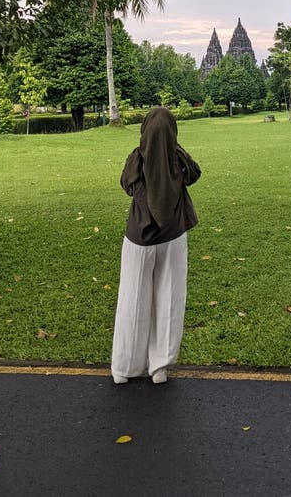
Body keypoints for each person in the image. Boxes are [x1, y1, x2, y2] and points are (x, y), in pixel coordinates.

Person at [111, 106, 201, 385]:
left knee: (133, 299)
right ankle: (159, 366)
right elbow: (195, 174)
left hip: (139, 237)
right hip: (173, 235)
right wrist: (173, 147)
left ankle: (124, 368)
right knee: (169, 299)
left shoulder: (136, 158)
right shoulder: (178, 158)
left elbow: (126, 185)